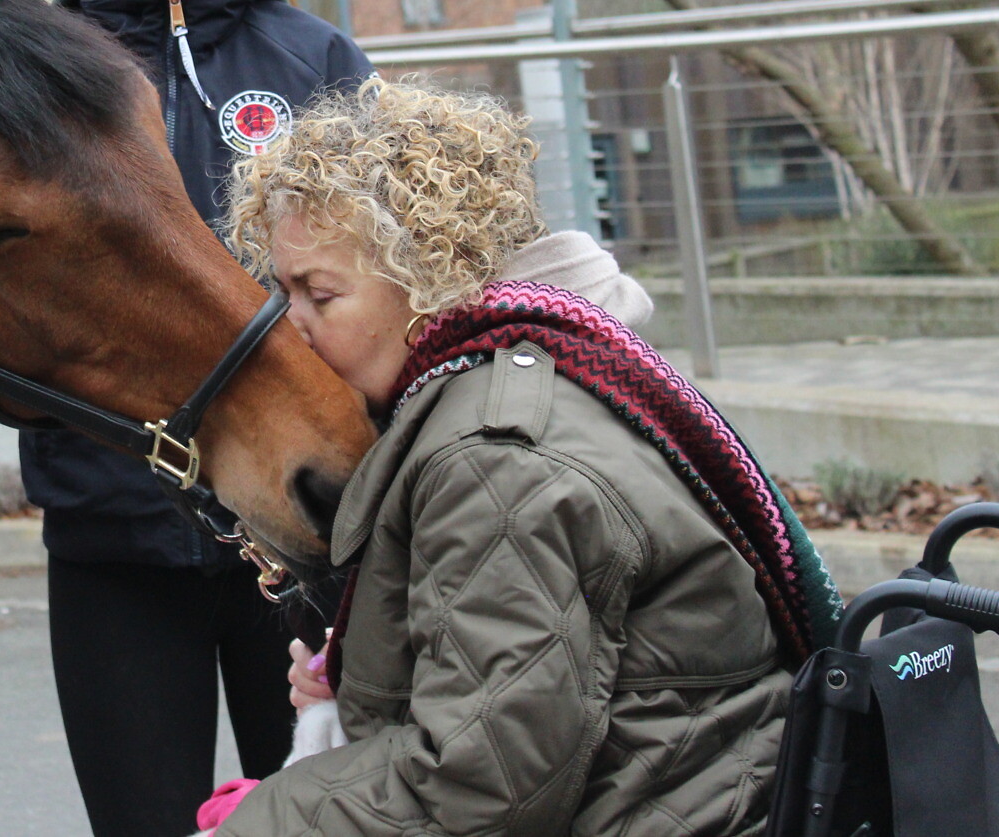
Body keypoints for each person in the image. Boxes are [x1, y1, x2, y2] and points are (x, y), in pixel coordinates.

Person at [201, 77, 840, 836]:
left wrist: (254, 823)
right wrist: (366, 678)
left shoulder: (494, 458)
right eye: (283, 293)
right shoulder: (563, 360)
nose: (293, 329)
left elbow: (480, 787)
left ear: (427, 280)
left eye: (320, 294)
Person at [19, 0, 372, 837]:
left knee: (314, 820)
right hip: (110, 533)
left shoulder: (311, 58)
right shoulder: (35, 64)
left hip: (296, 538)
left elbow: (377, 280)